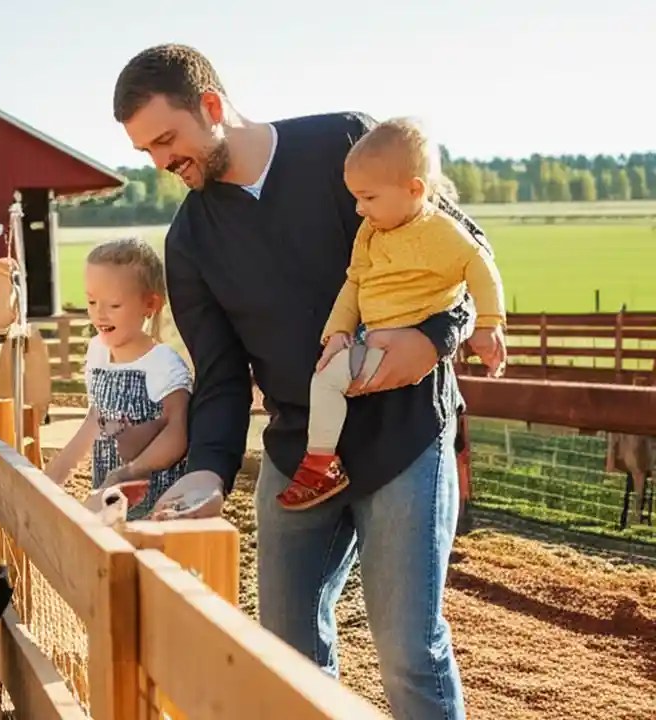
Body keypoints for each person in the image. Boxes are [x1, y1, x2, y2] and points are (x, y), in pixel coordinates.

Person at [112, 44, 478, 719]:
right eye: (147, 152)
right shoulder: (189, 241)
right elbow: (220, 378)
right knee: (285, 657)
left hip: (404, 437)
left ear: (213, 107)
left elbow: (459, 251)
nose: (162, 162)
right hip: (298, 451)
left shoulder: (343, 143)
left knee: (407, 653)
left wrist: (435, 339)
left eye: (167, 139)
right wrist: (210, 471)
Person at [281, 117, 508, 511]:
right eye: (355, 197)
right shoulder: (370, 232)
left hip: (402, 344)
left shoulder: (443, 233)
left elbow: (482, 269)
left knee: (332, 382)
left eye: (368, 198)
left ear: (414, 190)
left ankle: (322, 463)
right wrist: (337, 332)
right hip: (371, 336)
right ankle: (322, 462)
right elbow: (354, 284)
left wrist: (487, 326)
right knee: (327, 377)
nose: (358, 208)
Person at [44, 237, 193, 520]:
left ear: (149, 304)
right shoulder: (97, 352)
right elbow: (95, 420)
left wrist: (130, 471)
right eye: (91, 301)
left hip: (155, 509)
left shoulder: (162, 364)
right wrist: (56, 473)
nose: (99, 314)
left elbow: (178, 432)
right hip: (109, 500)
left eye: (113, 305)